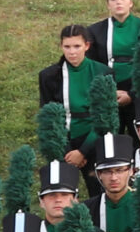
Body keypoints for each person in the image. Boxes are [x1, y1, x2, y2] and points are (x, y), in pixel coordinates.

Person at [37, 24, 108, 164]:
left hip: (93, 138)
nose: (72, 52)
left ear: (86, 46)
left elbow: (106, 116)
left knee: (97, 185)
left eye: (77, 46)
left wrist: (83, 152)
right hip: (62, 141)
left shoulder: (103, 72)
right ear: (61, 47)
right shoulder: (48, 76)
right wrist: (68, 152)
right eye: (67, 47)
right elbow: (49, 116)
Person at [87, 0, 140, 106]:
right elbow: (92, 65)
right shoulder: (94, 31)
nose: (118, 2)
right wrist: (108, 91)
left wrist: (132, 94)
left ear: (131, 3)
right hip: (107, 91)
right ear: (108, 5)